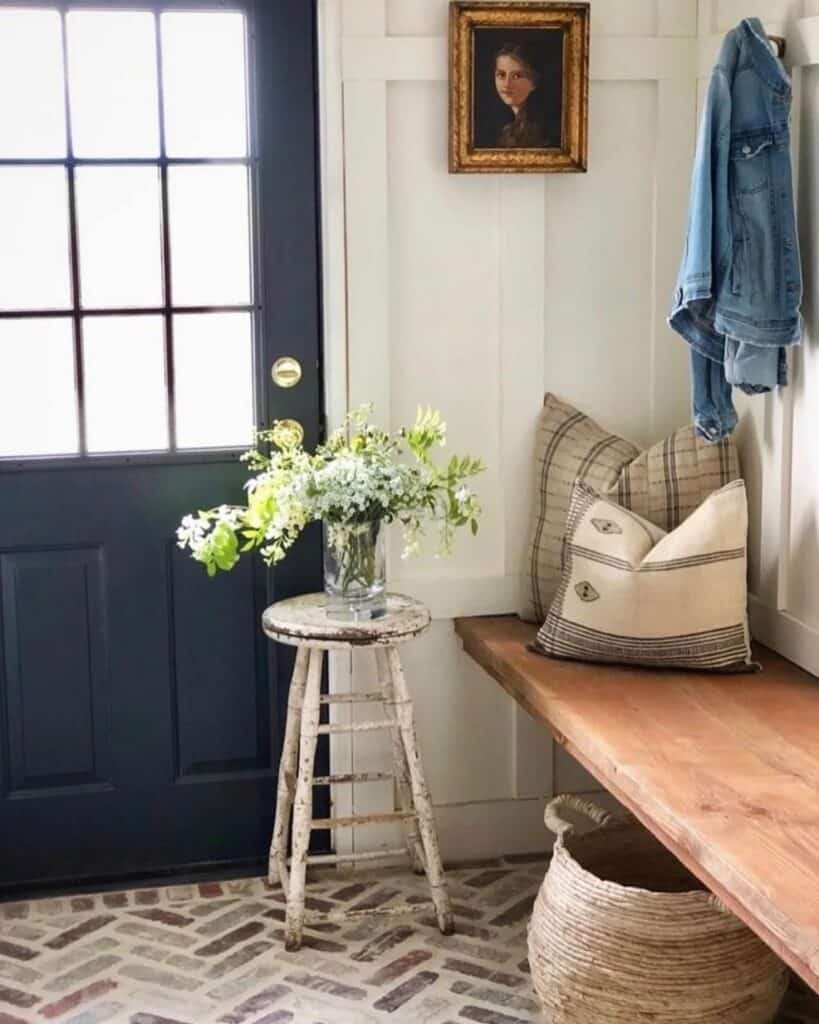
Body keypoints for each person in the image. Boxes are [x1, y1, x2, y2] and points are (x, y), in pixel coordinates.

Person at [493, 41, 549, 148]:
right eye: (501, 75)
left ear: (533, 82)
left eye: (517, 76)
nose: (507, 84)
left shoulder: (537, 130)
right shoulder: (508, 125)